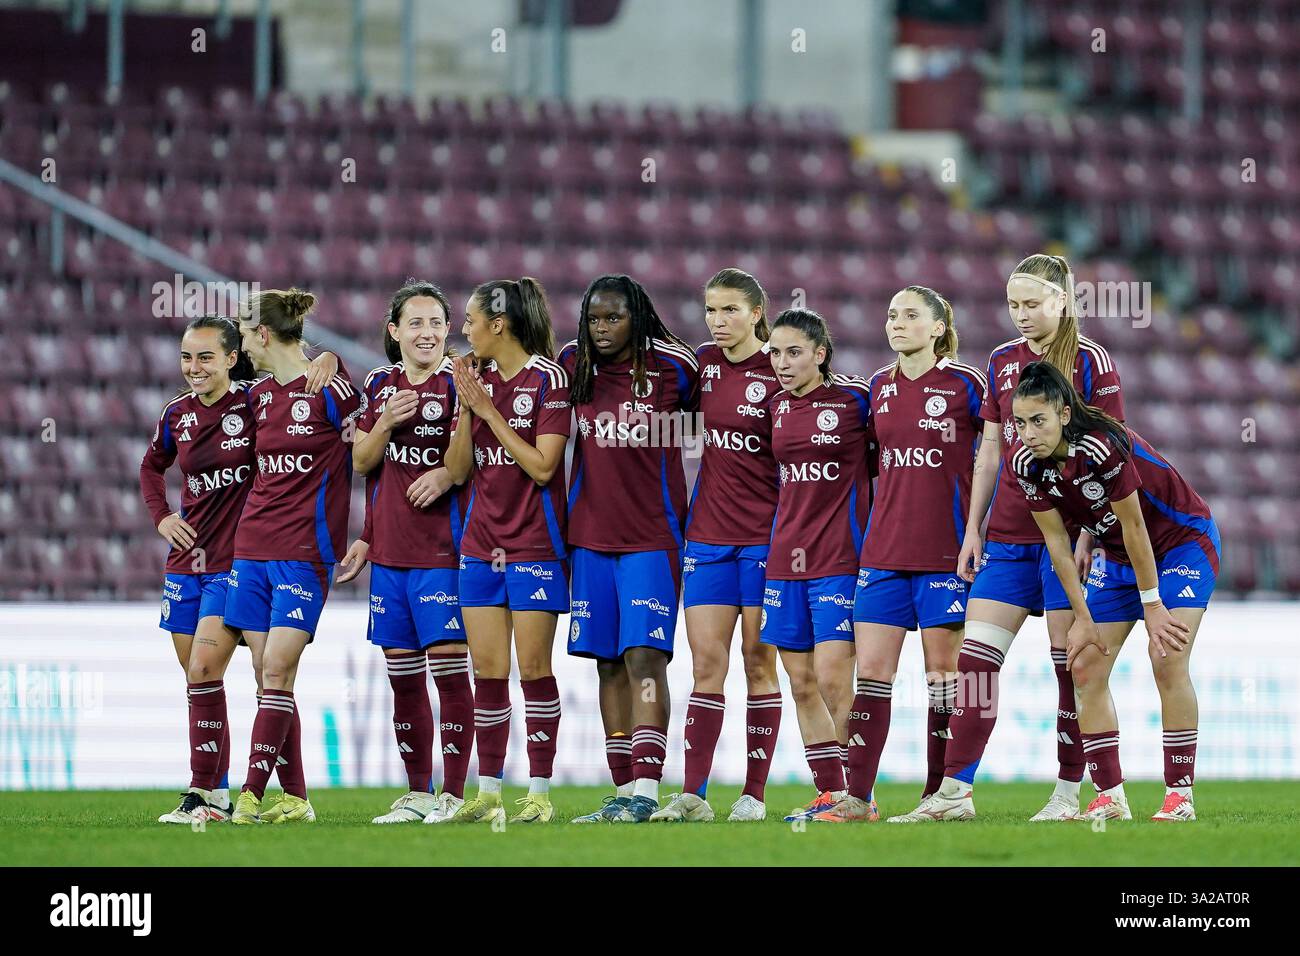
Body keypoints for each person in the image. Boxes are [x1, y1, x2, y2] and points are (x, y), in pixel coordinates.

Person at [940, 254, 1126, 822]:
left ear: (1062, 301)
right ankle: (954, 794)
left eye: (1032, 303)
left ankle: (1069, 795)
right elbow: (990, 448)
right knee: (974, 666)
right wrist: (974, 527)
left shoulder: (1090, 360)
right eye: (1013, 303)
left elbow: (1114, 447)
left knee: (1069, 668)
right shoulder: (1000, 360)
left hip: (1066, 538)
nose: (1020, 314)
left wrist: (1093, 531)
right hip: (1007, 538)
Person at [141, 315, 336, 824]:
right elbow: (150, 466)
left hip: (240, 560)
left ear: (233, 358)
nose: (194, 368)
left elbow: (301, 384)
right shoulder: (175, 415)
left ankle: (204, 791)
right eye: (187, 357)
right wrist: (162, 516)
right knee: (203, 678)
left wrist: (327, 360)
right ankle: (260, 795)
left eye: (205, 357)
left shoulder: (255, 402)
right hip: (186, 562)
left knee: (229, 671)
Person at [1007, 362, 1218, 822]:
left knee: (1167, 657)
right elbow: (1058, 545)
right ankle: (1110, 797)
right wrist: (1081, 615)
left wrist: (1154, 605)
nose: (1027, 433)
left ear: (1064, 413)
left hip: (1181, 544)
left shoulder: (1103, 443)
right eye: (1019, 423)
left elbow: (1136, 524)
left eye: (1038, 420)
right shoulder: (1024, 463)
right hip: (1119, 556)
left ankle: (1179, 797)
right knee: (1082, 665)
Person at [810, 287, 986, 823]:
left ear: (937, 327)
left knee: (943, 678)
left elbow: (998, 450)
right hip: (882, 552)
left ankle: (942, 795)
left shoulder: (965, 385)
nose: (897, 323)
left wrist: (980, 530)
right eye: (891, 315)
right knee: (873, 676)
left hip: (944, 553)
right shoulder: (878, 388)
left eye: (911, 315)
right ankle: (858, 799)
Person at [561, 274, 700, 824]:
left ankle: (646, 788)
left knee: (645, 657)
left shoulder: (675, 367)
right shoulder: (574, 362)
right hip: (589, 538)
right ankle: (621, 793)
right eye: (594, 318)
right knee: (608, 664)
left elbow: (732, 396)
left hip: (652, 538)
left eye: (613, 318)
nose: (601, 329)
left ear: (637, 318)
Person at [334, 280, 475, 824]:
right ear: (394, 332)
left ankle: (455, 794)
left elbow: (469, 468)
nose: (427, 332)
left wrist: (445, 474)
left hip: (445, 550)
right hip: (390, 556)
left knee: (449, 673)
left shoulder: (461, 384)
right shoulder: (378, 384)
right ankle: (418, 791)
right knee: (403, 677)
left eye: (436, 322)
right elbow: (365, 463)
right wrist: (387, 420)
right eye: (414, 323)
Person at [224, 289, 361, 824]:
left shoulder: (330, 390)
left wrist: (334, 357)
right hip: (252, 546)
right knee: (267, 677)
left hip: (306, 553)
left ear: (262, 334)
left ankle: (249, 796)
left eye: (243, 330)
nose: (238, 342)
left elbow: (375, 442)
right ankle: (298, 798)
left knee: (278, 667)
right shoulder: (256, 396)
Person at [651, 268, 782, 824]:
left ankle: (753, 794)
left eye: (730, 310)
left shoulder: (781, 366)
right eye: (710, 310)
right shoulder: (701, 364)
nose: (718, 321)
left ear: (757, 312)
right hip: (705, 537)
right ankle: (694, 793)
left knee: (758, 665)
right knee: (706, 667)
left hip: (765, 539)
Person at [441, 277, 572, 825]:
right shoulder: (476, 380)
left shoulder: (550, 380)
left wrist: (489, 410)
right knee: (487, 672)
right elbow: (459, 468)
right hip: (479, 543)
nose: (463, 330)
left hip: (534, 544)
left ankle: (539, 793)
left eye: (470, 320)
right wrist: (469, 408)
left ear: (498, 325)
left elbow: (544, 467)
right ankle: (489, 791)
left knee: (533, 668)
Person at [759, 308, 875, 823]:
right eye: (776, 353)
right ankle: (828, 791)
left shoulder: (856, 399)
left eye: (793, 352)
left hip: (839, 559)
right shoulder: (776, 407)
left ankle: (860, 794)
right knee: (801, 681)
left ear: (820, 353)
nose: (781, 363)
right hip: (785, 559)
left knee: (833, 678)